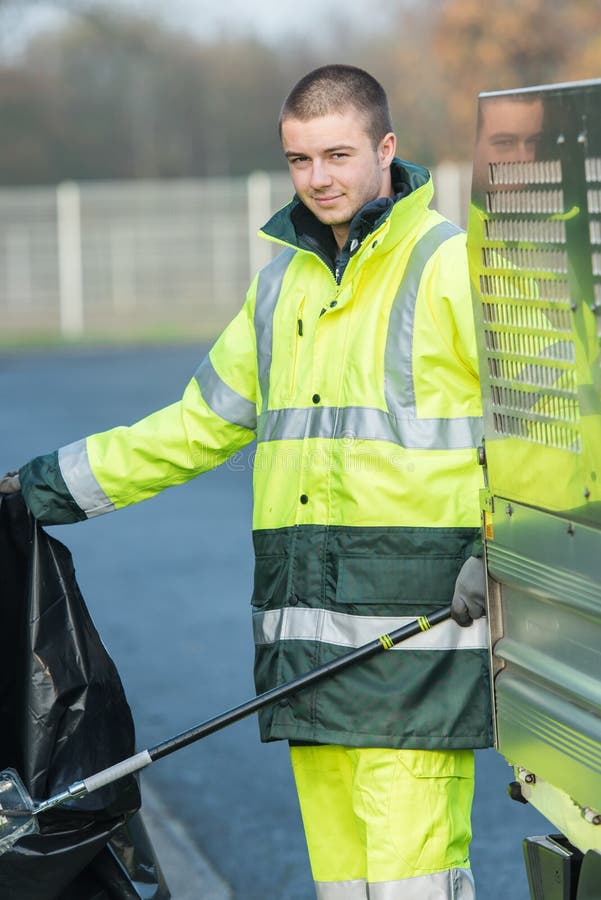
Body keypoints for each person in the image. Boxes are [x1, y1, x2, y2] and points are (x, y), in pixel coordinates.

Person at [1, 65, 491, 899]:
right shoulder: (280, 289)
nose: (319, 178)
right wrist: (37, 489)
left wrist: (498, 548)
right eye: (300, 160)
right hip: (308, 643)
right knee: (343, 882)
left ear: (386, 149)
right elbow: (196, 425)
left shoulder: (450, 266)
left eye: (337, 155)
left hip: (415, 629)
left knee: (414, 879)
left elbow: (542, 431)